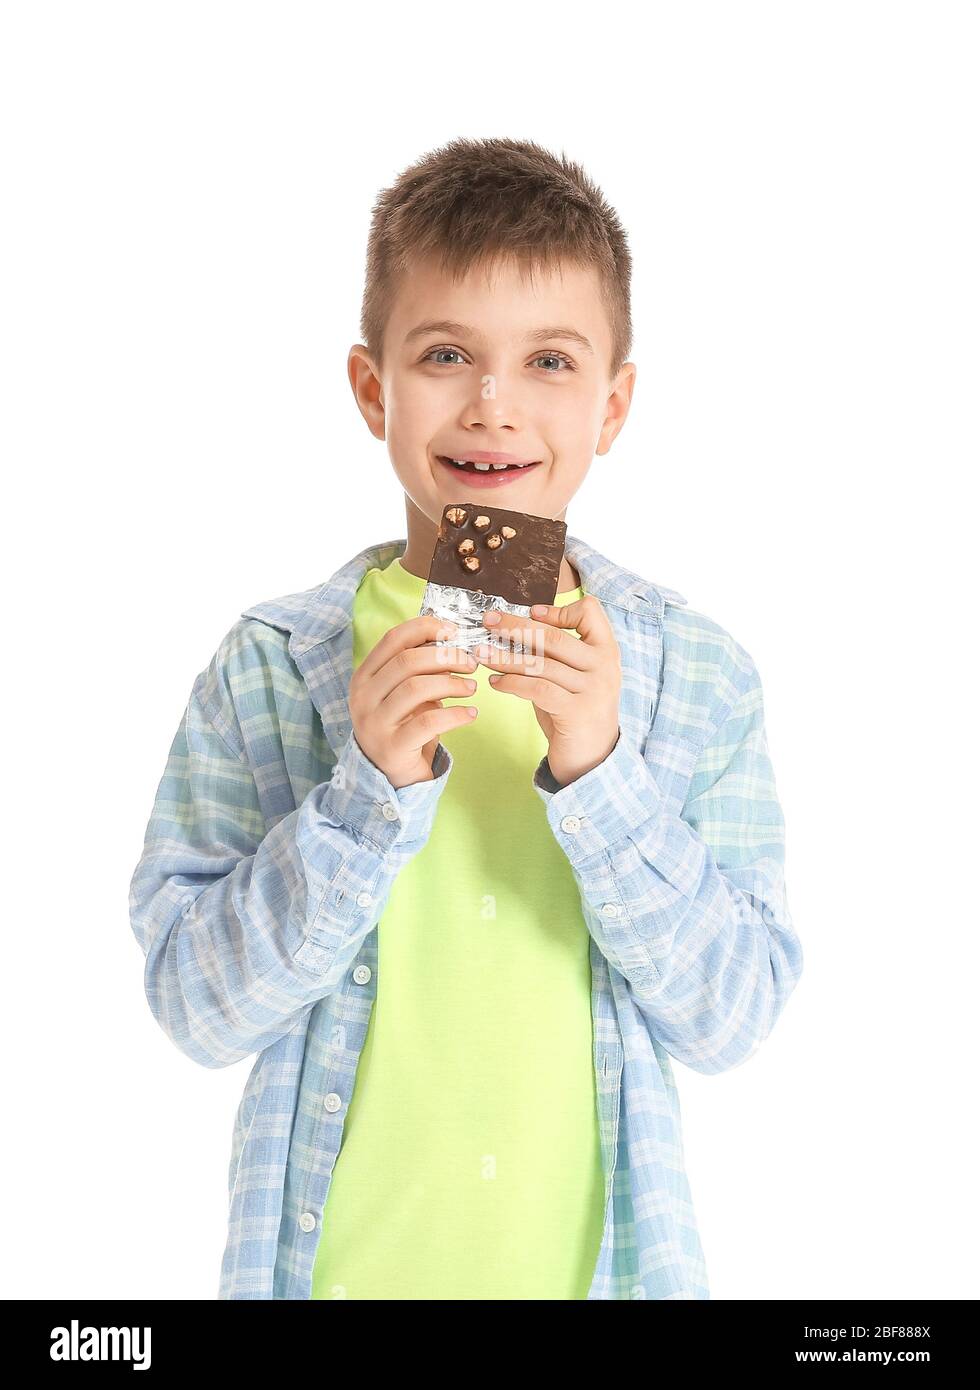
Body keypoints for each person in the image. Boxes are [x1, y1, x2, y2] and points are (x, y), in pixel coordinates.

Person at [128, 136, 803, 1300]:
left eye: (548, 360)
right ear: (372, 388)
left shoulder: (696, 675)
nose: (493, 408)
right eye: (446, 354)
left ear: (613, 405)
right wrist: (364, 795)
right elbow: (194, 1007)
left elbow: (731, 1018)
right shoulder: (269, 669)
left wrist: (600, 777)